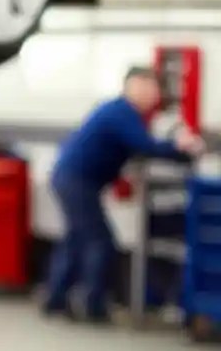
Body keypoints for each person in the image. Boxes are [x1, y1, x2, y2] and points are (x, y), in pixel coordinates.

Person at [44, 66, 205, 322]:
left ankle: (55, 299)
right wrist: (183, 149)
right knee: (100, 241)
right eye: (151, 88)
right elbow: (144, 146)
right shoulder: (123, 112)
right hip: (78, 181)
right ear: (136, 86)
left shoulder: (119, 111)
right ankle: (92, 305)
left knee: (76, 239)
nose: (155, 95)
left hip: (69, 178)